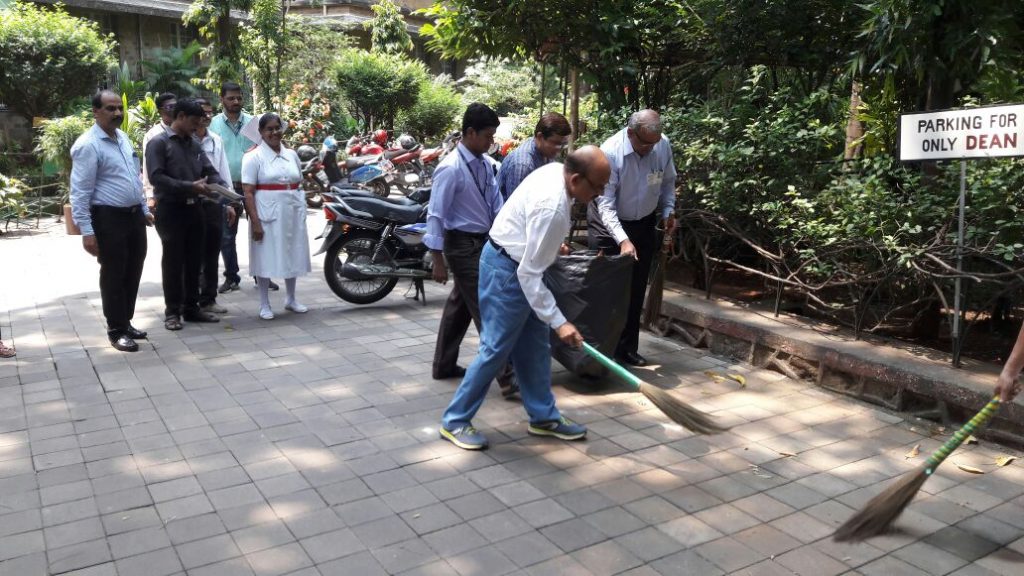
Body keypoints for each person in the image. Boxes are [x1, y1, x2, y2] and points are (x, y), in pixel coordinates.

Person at [439, 146, 611, 450]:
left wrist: (549, 245)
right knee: (495, 349)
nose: (600, 193)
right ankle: (455, 421)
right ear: (575, 180)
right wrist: (560, 322)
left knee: (534, 345)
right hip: (508, 273)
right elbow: (529, 276)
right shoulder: (554, 208)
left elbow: (532, 234)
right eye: (597, 186)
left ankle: (543, 417)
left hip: (515, 262)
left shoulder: (553, 172)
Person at [425, 103, 518, 399]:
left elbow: (496, 205)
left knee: (461, 304)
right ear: (470, 133)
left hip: (484, 242)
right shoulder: (450, 168)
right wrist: (437, 259)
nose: (492, 142)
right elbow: (436, 215)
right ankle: (508, 376)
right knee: (488, 307)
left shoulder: (485, 165)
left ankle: (443, 364)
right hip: (461, 245)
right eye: (488, 136)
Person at [587, 109, 677, 367]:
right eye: (644, 143)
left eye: (654, 143)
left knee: (636, 288)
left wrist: (668, 211)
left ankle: (627, 349)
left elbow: (668, 182)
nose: (650, 148)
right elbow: (605, 206)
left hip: (643, 222)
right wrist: (623, 241)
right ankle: (600, 353)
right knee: (608, 291)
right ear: (630, 133)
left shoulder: (662, 145)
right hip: (608, 224)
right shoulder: (611, 152)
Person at [70, 90, 154, 352]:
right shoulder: (88, 145)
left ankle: (125, 321)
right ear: (96, 112)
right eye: (110, 108)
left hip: (133, 217)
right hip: (108, 218)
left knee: (133, 269)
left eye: (119, 108)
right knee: (114, 273)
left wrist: (143, 208)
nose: (117, 113)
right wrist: (87, 230)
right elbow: (80, 191)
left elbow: (134, 177)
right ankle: (116, 329)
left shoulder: (123, 138)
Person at [146, 98, 227, 331]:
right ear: (180, 117)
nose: (196, 127)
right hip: (171, 210)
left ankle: (191, 308)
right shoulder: (158, 143)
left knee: (194, 260)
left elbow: (209, 171)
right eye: (193, 121)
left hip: (196, 209)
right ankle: (172, 312)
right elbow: (157, 178)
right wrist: (189, 186)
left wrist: (221, 189)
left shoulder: (193, 143)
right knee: (173, 261)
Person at [208, 82, 278, 293]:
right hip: (227, 187)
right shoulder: (213, 125)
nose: (236, 101)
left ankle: (262, 275)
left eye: (239, 97)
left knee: (260, 230)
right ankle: (231, 277)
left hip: (255, 186)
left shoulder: (254, 124)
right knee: (227, 235)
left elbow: (266, 149)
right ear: (222, 99)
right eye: (231, 98)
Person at [241, 113, 311, 320]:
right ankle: (264, 303)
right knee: (265, 255)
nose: (274, 132)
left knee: (292, 251)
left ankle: (291, 298)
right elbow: (248, 191)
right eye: (269, 129)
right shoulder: (252, 157)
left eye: (277, 128)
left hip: (292, 210)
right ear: (261, 133)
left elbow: (298, 180)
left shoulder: (291, 154)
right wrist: (255, 222)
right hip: (266, 212)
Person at [194, 98, 237, 315]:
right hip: (191, 203)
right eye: (203, 112)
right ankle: (190, 301)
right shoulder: (184, 140)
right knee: (193, 254)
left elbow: (222, 172)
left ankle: (209, 299)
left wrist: (227, 202)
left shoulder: (215, 140)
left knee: (212, 252)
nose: (207, 117)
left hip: (214, 203)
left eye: (210, 113)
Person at [496, 112, 572, 200]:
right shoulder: (523, 164)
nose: (559, 149)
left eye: (563, 144)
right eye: (556, 143)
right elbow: (518, 208)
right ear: (540, 137)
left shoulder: (546, 152)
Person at [142, 92, 177, 206]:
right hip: (163, 195)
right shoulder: (152, 135)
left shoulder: (186, 131)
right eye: (169, 107)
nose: (174, 109)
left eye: (176, 106)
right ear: (160, 111)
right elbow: (148, 166)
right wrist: (150, 196)